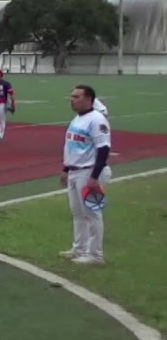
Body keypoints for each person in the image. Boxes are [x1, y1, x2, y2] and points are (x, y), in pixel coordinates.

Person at [60, 84, 112, 266]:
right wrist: (66, 169)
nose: (72, 100)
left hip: (89, 171)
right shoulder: (77, 119)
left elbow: (104, 148)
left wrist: (94, 176)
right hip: (75, 171)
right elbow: (72, 147)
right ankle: (79, 248)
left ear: (89, 99)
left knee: (92, 214)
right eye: (71, 96)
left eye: (76, 97)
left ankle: (95, 255)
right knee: (77, 214)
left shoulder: (96, 120)